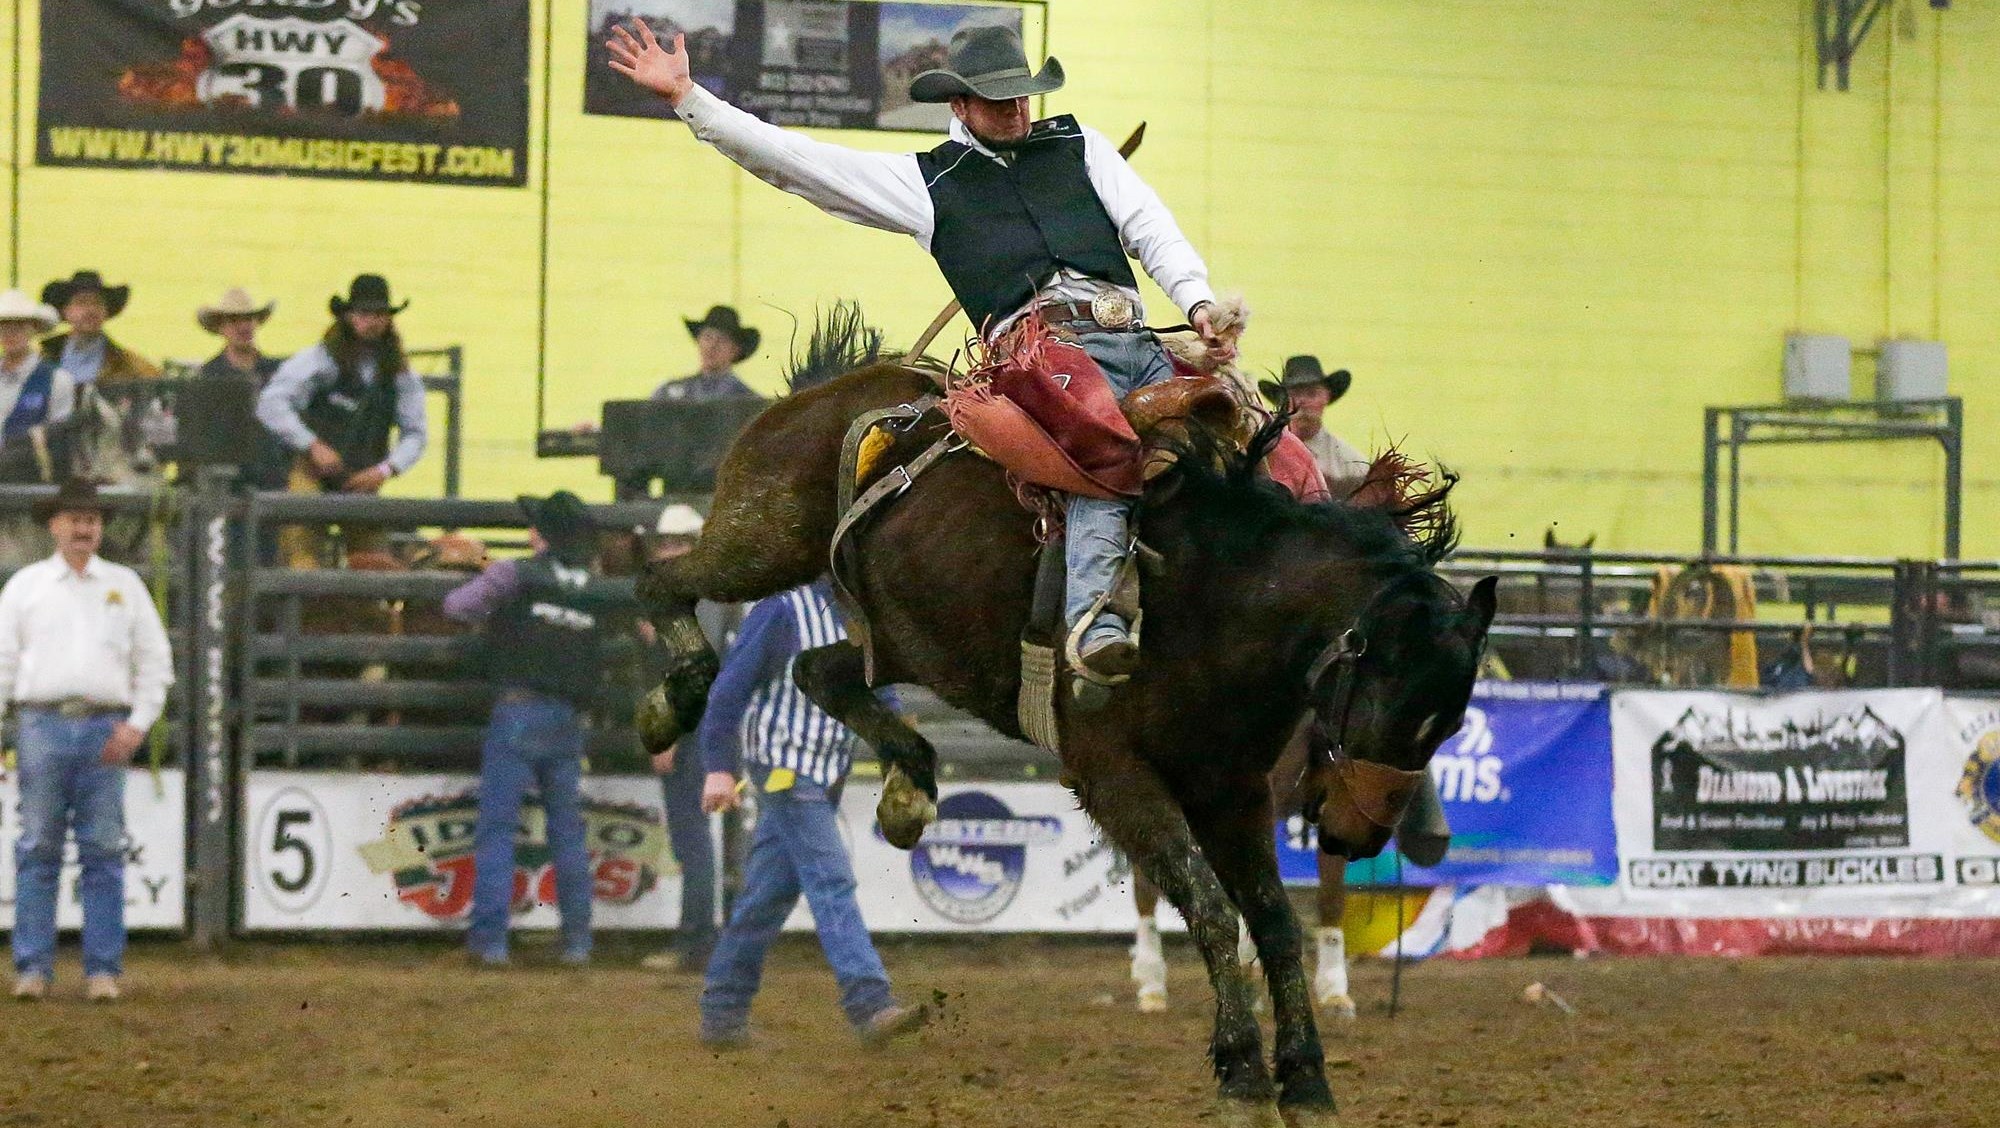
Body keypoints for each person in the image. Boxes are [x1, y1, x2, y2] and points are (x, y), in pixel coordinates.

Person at [606, 22, 1233, 682]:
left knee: (1250, 434)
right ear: (959, 106)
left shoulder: (1083, 146)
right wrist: (688, 97)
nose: (1017, 110)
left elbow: (1150, 228)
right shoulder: (927, 183)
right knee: (1105, 450)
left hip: (1136, 337)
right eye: (998, 101)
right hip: (1044, 359)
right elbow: (795, 162)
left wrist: (1196, 302)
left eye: (1021, 97)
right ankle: (1094, 618)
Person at [694, 579, 928, 1048]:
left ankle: (722, 1012)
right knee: (831, 876)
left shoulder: (864, 619)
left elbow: (883, 699)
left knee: (767, 896)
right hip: (784, 767)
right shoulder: (782, 611)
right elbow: (728, 689)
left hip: (824, 771)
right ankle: (869, 1004)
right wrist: (718, 767)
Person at [0, 477, 174, 1002]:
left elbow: (155, 662)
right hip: (43, 724)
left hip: (98, 727)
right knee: (45, 848)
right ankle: (42, 967)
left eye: (91, 519)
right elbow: (2, 663)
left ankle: (95, 969)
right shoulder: (26, 588)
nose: (84, 527)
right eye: (75, 519)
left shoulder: (123, 586)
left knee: (91, 849)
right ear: (55, 526)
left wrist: (138, 723)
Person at [441, 492, 607, 968]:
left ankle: (490, 942)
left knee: (497, 828)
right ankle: (577, 942)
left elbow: (458, 606)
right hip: (568, 720)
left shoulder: (515, 575)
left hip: (517, 712)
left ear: (544, 536)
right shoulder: (595, 587)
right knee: (567, 832)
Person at [256, 274, 429, 567]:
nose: (372, 322)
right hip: (311, 473)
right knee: (302, 557)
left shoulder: (399, 375)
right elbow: (271, 402)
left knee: (372, 565)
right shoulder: (321, 360)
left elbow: (416, 433)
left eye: (379, 314)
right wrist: (312, 445)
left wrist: (385, 470)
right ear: (349, 316)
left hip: (363, 479)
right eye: (364, 314)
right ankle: (306, 607)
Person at [637, 503, 728, 973]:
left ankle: (696, 943)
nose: (666, 550)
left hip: (690, 729)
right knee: (695, 840)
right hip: (706, 728)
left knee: (691, 840)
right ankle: (700, 940)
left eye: (673, 543)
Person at [195, 287, 293, 493]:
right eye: (234, 321)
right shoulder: (209, 376)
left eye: (248, 319)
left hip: (274, 478)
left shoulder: (277, 372)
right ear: (221, 327)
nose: (243, 326)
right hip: (226, 484)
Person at [1260, 357, 1370, 498]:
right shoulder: (1262, 452)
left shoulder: (1352, 465)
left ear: (1326, 397)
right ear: (1282, 401)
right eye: (1295, 394)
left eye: (1311, 393)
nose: (1302, 402)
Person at [38, 271, 159, 386]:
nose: (91, 310)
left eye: (97, 303)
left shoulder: (131, 366)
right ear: (65, 311)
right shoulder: (41, 360)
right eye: (81, 302)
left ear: (106, 312)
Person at [0, 290, 76, 455]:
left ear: (34, 329)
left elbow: (60, 439)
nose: (10, 333)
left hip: (32, 475)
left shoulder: (57, 380)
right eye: (3, 326)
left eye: (19, 326)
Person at [652, 306, 761, 401]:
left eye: (722, 340)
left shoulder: (748, 402)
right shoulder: (668, 394)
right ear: (698, 341)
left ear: (735, 350)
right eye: (707, 337)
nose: (712, 346)